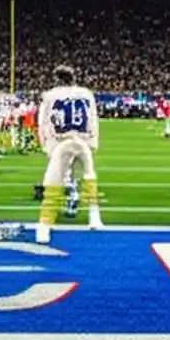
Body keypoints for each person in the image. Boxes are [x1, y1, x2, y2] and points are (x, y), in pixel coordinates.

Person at [36, 65, 103, 244]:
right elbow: (93, 118)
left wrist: (47, 146)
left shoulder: (50, 95)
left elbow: (44, 121)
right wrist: (92, 141)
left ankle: (44, 225)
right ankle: (94, 216)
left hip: (61, 140)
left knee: (52, 182)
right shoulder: (86, 93)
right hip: (82, 138)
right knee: (89, 175)